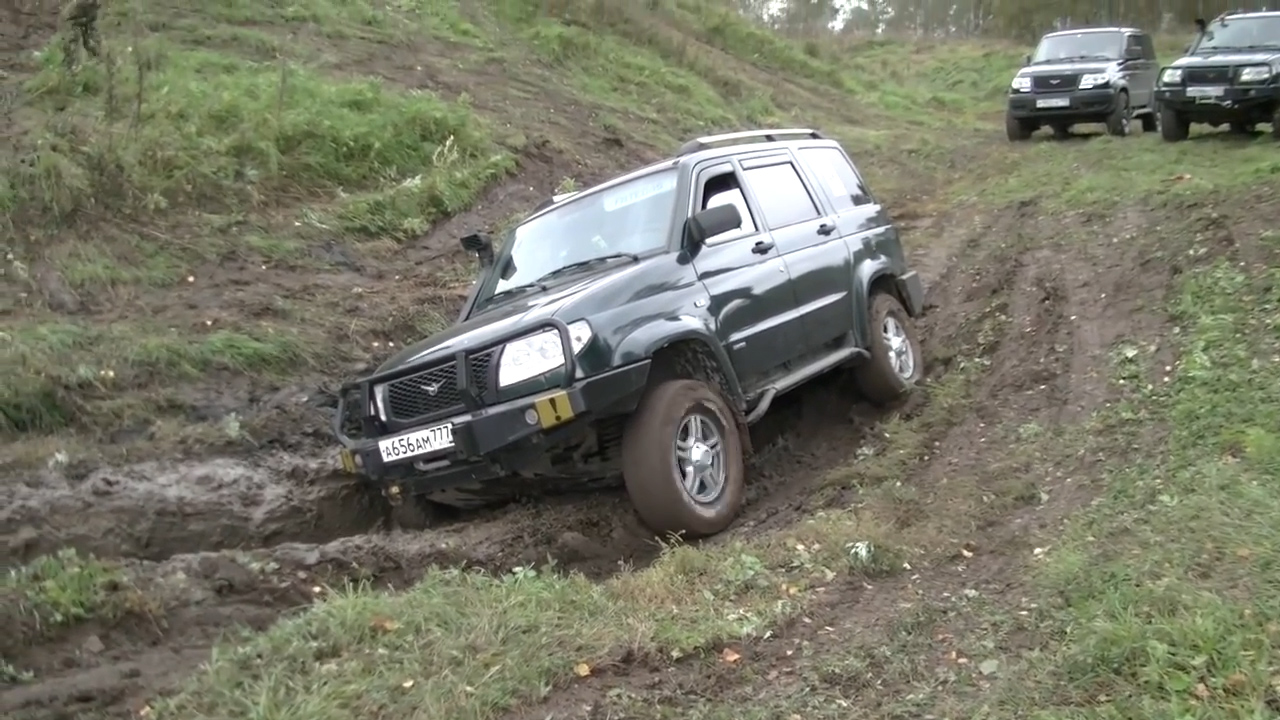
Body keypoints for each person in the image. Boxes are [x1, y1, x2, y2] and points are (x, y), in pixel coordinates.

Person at [60, 0, 101, 70]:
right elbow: (68, 17)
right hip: (72, 21)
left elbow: (90, 20)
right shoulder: (79, 4)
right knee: (73, 41)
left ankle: (98, 58)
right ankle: (69, 65)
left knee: (90, 42)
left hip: (82, 22)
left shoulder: (92, 7)